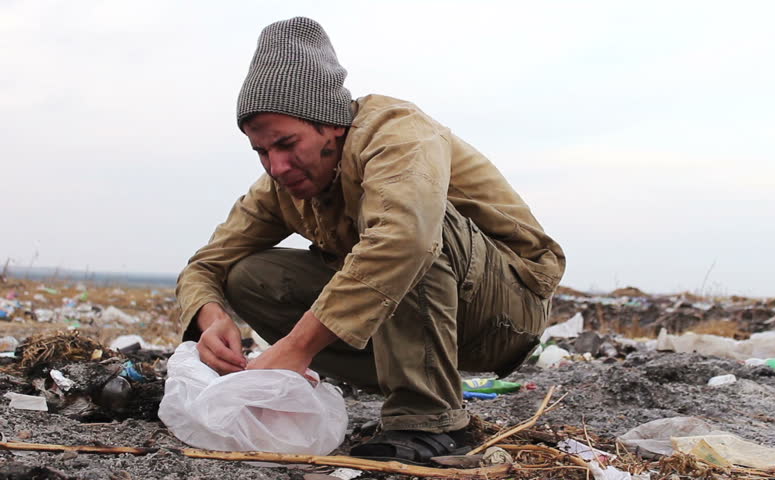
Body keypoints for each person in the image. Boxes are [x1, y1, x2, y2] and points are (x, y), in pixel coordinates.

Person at [176, 16, 565, 463]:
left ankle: (430, 423)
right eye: (262, 152)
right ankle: (413, 382)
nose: (277, 166)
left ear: (331, 124)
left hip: (505, 312)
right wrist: (211, 318)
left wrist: (294, 349)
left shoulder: (396, 132)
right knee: (249, 276)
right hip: (425, 318)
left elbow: (406, 240)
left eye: (286, 144)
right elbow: (206, 264)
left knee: (410, 230)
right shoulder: (279, 188)